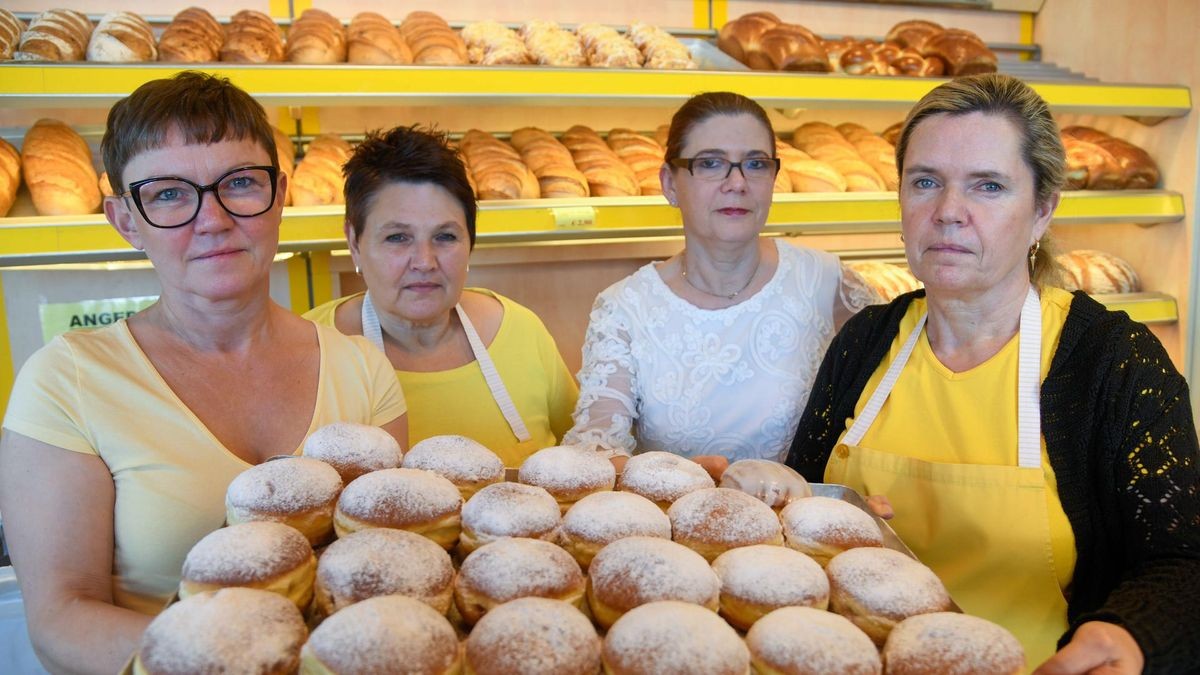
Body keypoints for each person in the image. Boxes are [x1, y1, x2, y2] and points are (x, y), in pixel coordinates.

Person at [787, 73, 1200, 674]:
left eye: (988, 186)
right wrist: (818, 519)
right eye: (925, 182)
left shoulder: (1114, 361)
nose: (948, 212)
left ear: (1042, 212)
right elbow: (802, 504)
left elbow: (1181, 563)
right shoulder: (865, 341)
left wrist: (1127, 637)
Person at [0, 72, 407, 674]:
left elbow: (390, 567)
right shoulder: (66, 382)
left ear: (279, 194)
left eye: (239, 182)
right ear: (125, 220)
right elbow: (62, 620)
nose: (211, 219)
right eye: (168, 193)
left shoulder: (362, 369)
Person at [564, 91, 877, 474]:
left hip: (803, 525)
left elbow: (887, 417)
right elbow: (595, 450)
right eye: (711, 163)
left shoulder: (829, 287)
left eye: (756, 164)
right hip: (675, 526)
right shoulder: (625, 308)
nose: (737, 182)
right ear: (670, 183)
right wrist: (674, 478)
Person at [304, 125, 577, 468]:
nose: (424, 262)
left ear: (471, 242)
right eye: (397, 238)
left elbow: (578, 455)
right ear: (354, 242)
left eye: (445, 237)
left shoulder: (522, 331)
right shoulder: (310, 348)